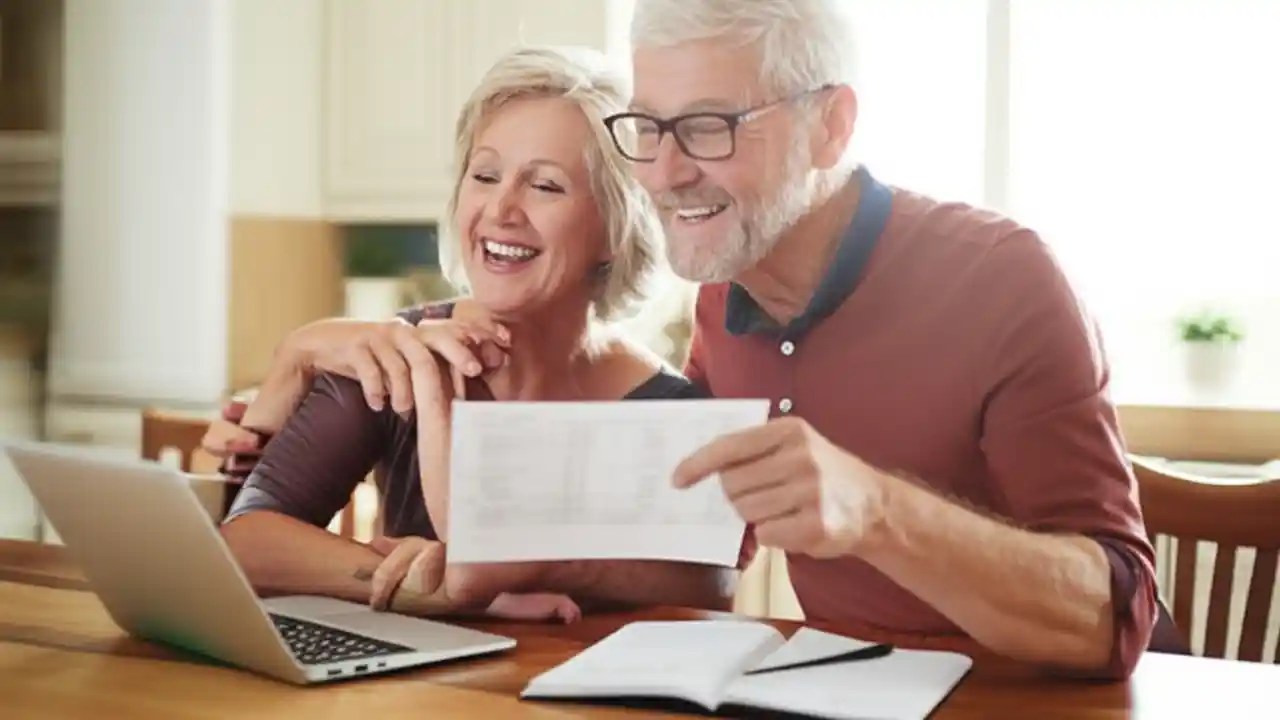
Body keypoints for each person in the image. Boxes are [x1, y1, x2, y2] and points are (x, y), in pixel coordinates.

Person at [602, 0, 1171, 678]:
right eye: (648, 127)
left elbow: (1111, 624)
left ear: (830, 126)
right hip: (854, 693)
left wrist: (876, 509)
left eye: (707, 127)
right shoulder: (725, 296)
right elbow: (701, 548)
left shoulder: (1004, 279)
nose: (662, 174)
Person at [213, 46, 733, 622]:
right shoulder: (399, 354)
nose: (500, 209)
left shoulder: (662, 408)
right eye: (484, 176)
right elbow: (245, 542)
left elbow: (709, 585)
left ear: (616, 226)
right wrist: (419, 585)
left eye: (546, 186)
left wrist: (528, 565)